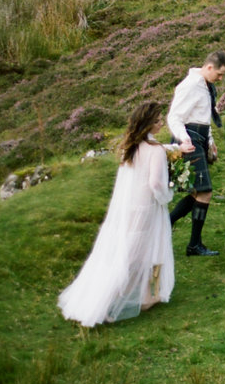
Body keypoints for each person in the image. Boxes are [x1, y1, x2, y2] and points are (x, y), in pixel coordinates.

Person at [58, 101, 188, 327]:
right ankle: (118, 298)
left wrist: (176, 149)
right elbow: (156, 184)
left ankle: (152, 295)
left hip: (131, 206)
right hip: (148, 207)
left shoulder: (132, 146)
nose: (160, 124)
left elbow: (153, 156)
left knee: (136, 250)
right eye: (157, 121)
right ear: (147, 124)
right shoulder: (155, 151)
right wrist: (169, 194)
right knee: (147, 250)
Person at [167, 50, 225, 256]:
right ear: (209, 67)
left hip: (200, 138)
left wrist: (210, 142)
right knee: (205, 191)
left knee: (198, 192)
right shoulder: (191, 85)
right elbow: (174, 117)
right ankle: (193, 244)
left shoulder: (206, 86)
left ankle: (166, 226)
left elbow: (203, 116)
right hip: (189, 139)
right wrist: (184, 140)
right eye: (219, 74)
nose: (220, 79)